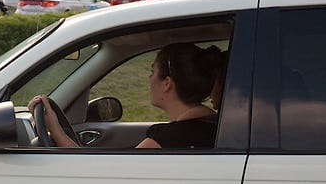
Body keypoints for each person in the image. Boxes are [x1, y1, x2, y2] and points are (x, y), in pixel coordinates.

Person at [29, 42, 218, 149]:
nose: (149, 78)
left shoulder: (167, 140)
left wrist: (56, 131)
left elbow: (97, 176)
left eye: (152, 72)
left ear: (167, 83)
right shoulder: (215, 126)